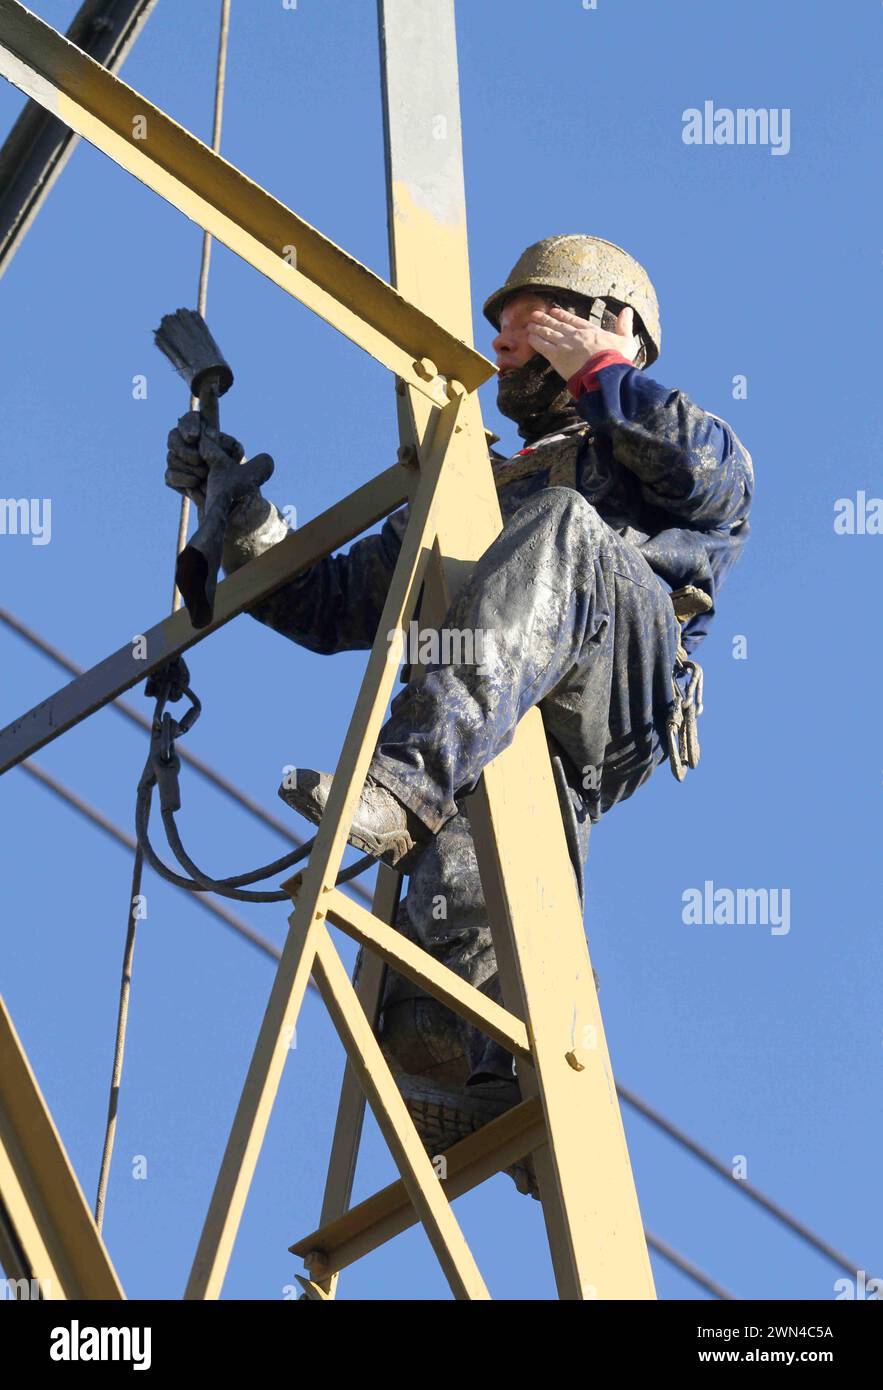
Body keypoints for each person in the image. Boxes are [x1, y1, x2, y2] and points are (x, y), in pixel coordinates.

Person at [166, 235, 753, 1195]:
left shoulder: (671, 437)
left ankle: (405, 783)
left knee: (560, 534)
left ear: (611, 323)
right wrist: (240, 518)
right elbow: (332, 604)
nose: (501, 344)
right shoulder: (476, 482)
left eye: (526, 321)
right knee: (469, 842)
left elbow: (709, 484)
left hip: (622, 671)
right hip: (502, 707)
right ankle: (486, 1070)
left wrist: (596, 371)